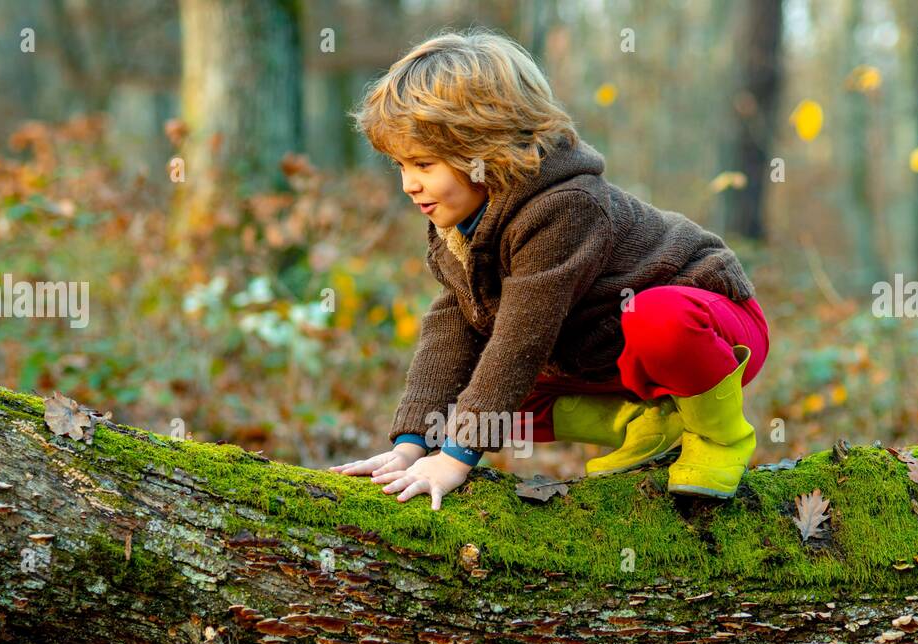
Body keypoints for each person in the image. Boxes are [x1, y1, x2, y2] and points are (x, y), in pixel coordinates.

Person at [329, 28, 769, 511]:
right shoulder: (456, 222)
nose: (409, 185)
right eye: (399, 165)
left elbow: (522, 337)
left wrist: (455, 459)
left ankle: (720, 436)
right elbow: (453, 327)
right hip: (610, 356)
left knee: (652, 320)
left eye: (424, 164)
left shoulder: (566, 205)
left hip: (715, 328)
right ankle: (640, 423)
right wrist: (410, 445)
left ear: (484, 150)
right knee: (482, 392)